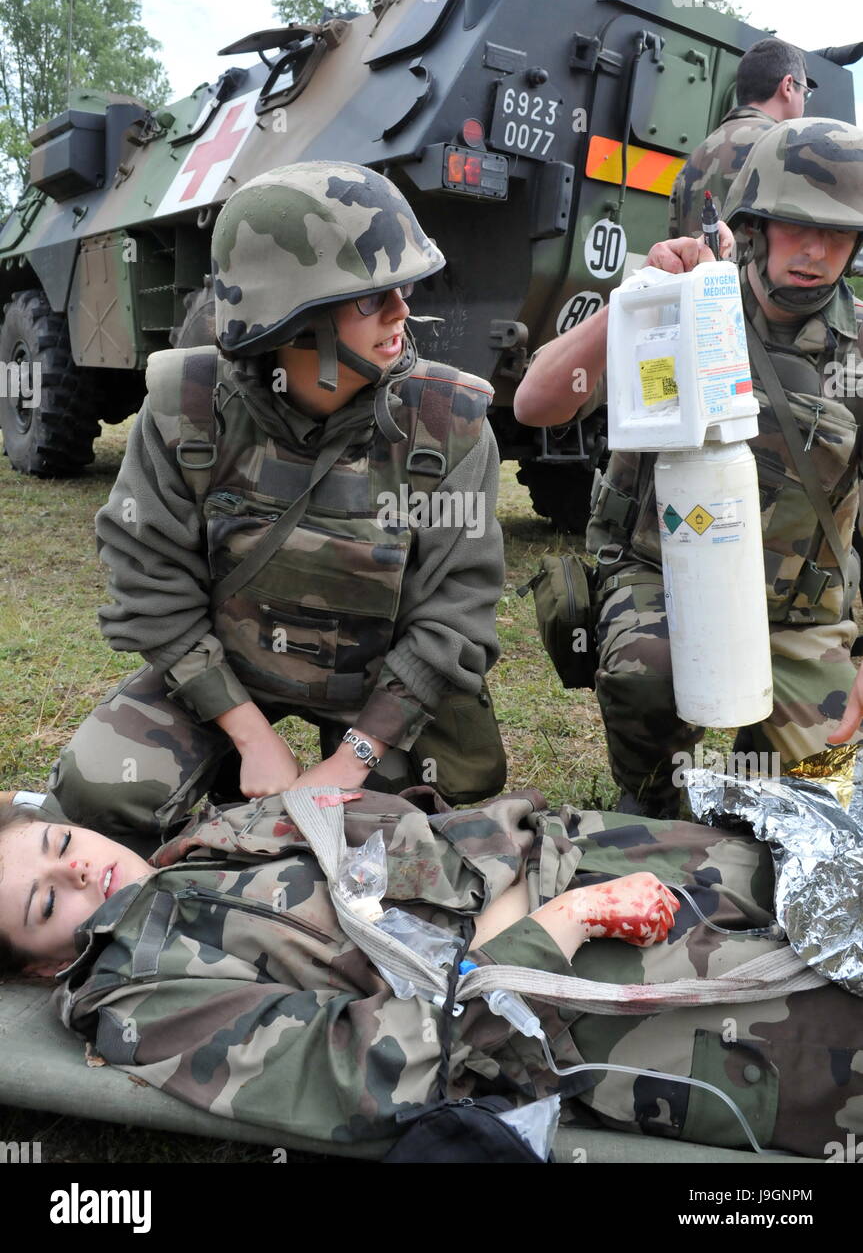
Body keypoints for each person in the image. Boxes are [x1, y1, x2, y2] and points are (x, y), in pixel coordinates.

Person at [1, 789, 860, 1161]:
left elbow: (420, 827)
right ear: (42, 968)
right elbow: (371, 1073)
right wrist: (552, 926)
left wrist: (517, 885)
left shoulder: (201, 844)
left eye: (59, 845)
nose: (77, 873)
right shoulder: (143, 1000)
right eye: (44, 906)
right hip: (571, 1001)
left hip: (581, 856)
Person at [50, 163, 506, 848]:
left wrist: (348, 761)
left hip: (374, 687)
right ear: (292, 320)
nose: (401, 314)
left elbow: (455, 615)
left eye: (401, 288)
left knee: (388, 839)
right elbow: (148, 582)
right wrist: (249, 732)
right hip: (230, 665)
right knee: (100, 790)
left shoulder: (447, 423)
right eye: (368, 299)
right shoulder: (187, 407)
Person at [514, 118, 863, 817]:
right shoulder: (683, 299)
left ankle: (757, 793)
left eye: (839, 232)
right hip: (664, 572)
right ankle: (648, 799)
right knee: (649, 671)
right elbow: (535, 404)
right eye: (798, 226)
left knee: (815, 799)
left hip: (798, 611)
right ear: (756, 223)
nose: (816, 251)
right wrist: (633, 301)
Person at [668, 37, 813, 239]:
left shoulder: (698, 154)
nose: (804, 103)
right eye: (805, 93)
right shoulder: (787, 148)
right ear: (788, 86)